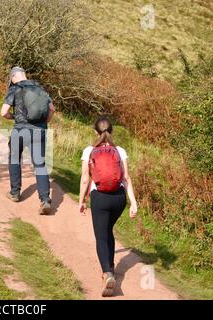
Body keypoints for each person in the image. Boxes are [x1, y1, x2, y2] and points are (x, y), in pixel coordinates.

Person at [78, 116, 138, 297]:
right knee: (108, 229)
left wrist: (81, 201)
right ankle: (110, 265)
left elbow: (85, 179)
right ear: (111, 131)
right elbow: (126, 178)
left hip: (100, 198)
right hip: (119, 199)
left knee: (101, 236)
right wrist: (133, 203)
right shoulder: (120, 150)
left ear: (95, 132)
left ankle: (108, 273)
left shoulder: (90, 150)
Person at [1, 66, 56, 214]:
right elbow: (52, 109)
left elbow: (3, 112)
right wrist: (45, 123)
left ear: (13, 77)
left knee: (14, 158)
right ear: (24, 75)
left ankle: (15, 193)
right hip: (40, 130)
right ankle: (45, 200)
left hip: (20, 130)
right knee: (40, 164)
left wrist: (14, 117)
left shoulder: (14, 89)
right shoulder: (40, 88)